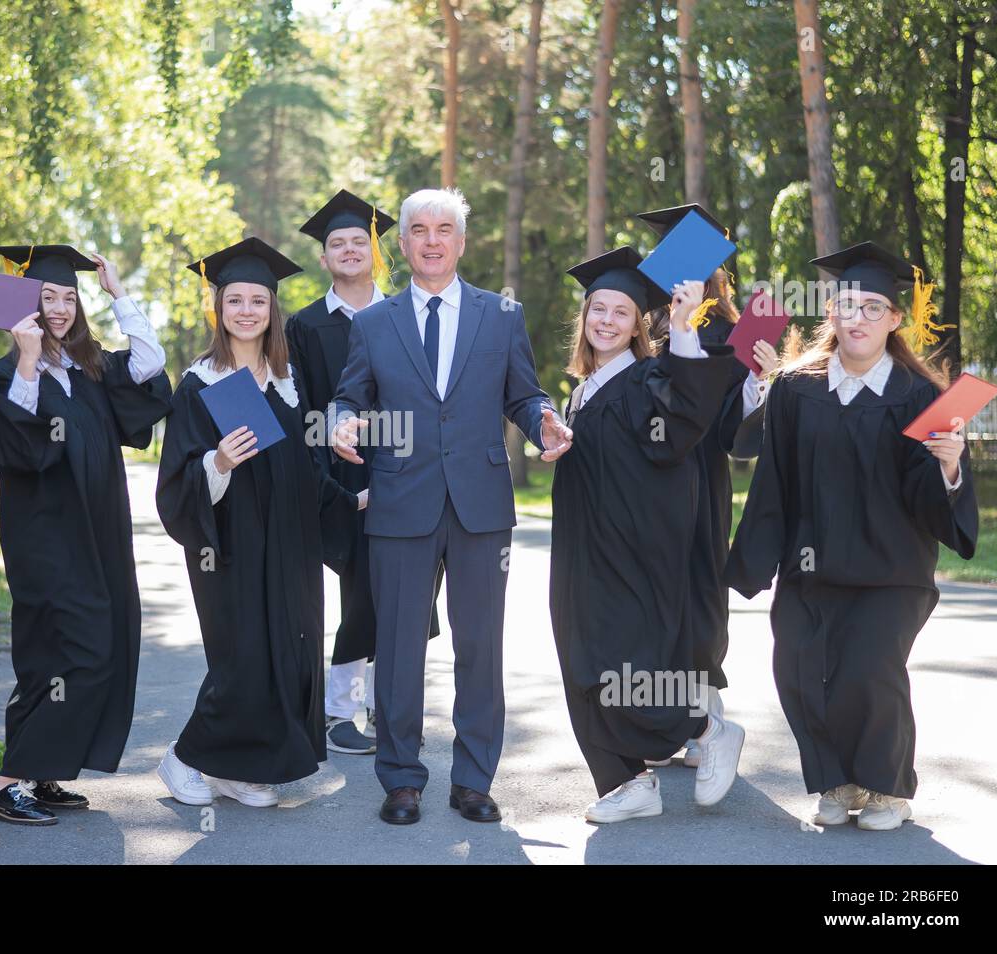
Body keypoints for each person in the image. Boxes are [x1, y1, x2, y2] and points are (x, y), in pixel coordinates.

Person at [331, 187, 573, 825]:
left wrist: (543, 419)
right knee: (399, 646)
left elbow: (525, 393)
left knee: (480, 646)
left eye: (445, 229)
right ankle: (401, 779)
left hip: (480, 506)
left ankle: (473, 779)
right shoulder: (373, 323)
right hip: (399, 502)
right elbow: (350, 395)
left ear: (461, 242)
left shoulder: (502, 316)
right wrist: (343, 421)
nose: (432, 240)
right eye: (419, 230)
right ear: (403, 243)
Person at [726, 241, 978, 831]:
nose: (857, 318)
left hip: (891, 571)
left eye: (872, 308)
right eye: (847, 305)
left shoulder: (922, 398)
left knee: (868, 668)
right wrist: (751, 563)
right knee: (797, 666)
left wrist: (948, 465)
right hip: (812, 568)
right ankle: (837, 781)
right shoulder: (795, 390)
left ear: (894, 319)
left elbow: (928, 500)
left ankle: (887, 787)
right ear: (830, 315)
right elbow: (774, 480)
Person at [0, 243, 171, 825]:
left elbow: (152, 369)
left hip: (101, 536)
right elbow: (20, 450)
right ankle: (7, 781)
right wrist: (29, 359)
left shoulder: (93, 372)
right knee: (69, 652)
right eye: (45, 297)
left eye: (67, 296)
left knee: (96, 647)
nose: (58, 307)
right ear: (23, 306)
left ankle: (44, 770)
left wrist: (121, 295)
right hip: (47, 542)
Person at [155, 237, 357, 807]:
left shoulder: (287, 383)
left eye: (258, 301)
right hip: (230, 546)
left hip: (288, 547)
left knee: (284, 651)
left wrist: (350, 504)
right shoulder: (200, 384)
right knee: (242, 657)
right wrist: (216, 462)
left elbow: (306, 471)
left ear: (273, 310)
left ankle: (239, 770)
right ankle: (184, 758)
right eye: (235, 300)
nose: (246, 311)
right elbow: (174, 482)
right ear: (219, 309)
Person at [549, 247, 748, 823]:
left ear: (640, 325)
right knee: (580, 661)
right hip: (582, 550)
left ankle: (706, 726)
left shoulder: (647, 377)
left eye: (620, 312)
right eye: (597, 310)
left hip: (630, 551)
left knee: (624, 667)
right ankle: (626, 781)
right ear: (584, 318)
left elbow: (685, 414)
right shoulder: (583, 391)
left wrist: (684, 330)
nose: (606, 321)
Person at [286, 189, 441, 755]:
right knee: (359, 584)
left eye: (359, 241)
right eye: (337, 244)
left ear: (375, 252)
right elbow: (301, 405)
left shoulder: (407, 310)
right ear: (324, 258)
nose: (349, 250)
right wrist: (322, 459)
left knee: (410, 586)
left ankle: (387, 703)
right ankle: (340, 709)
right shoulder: (304, 327)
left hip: (406, 467)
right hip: (343, 472)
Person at [639, 204, 777, 767]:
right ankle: (657, 721)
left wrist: (758, 384)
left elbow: (728, 429)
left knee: (697, 594)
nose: (677, 273)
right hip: (643, 478)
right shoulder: (640, 320)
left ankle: (705, 721)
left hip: (696, 478)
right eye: (668, 257)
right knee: (648, 596)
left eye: (689, 259)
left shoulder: (724, 327)